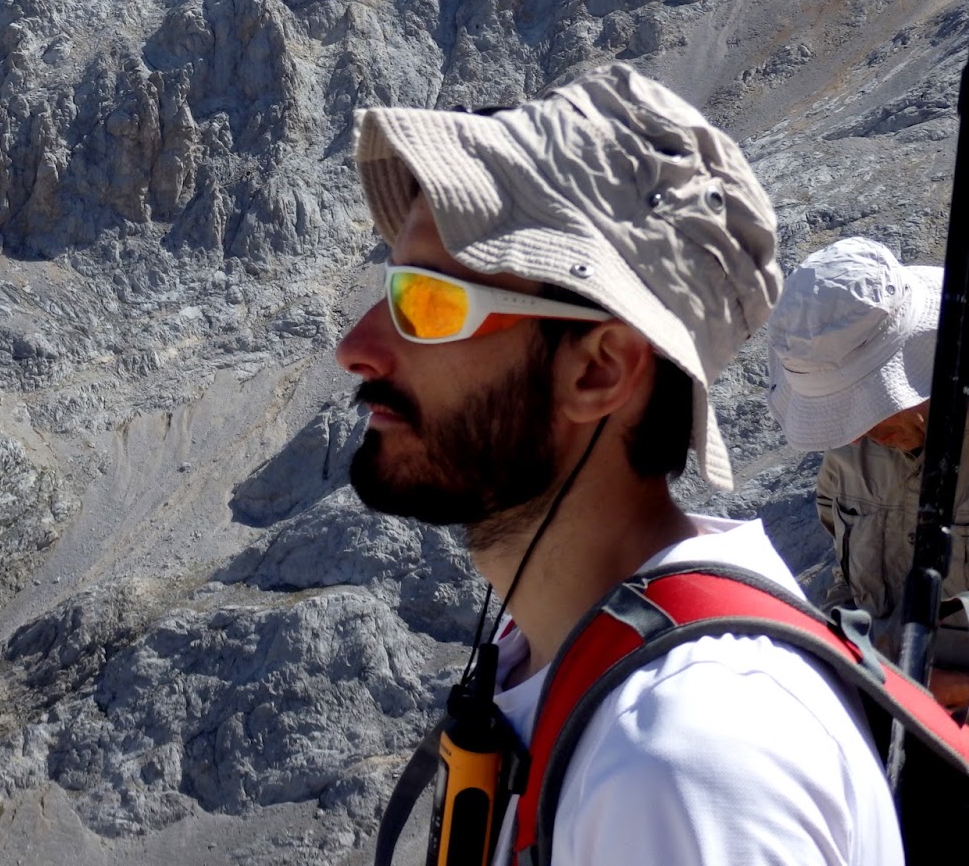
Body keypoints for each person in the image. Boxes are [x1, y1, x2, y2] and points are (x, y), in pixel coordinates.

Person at [337, 63, 901, 862]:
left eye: (426, 304)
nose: (354, 349)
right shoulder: (574, 669)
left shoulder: (686, 757)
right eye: (392, 289)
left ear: (597, 371)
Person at [765, 236, 969, 708]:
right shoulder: (850, 457)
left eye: (863, 408)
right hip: (883, 719)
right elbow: (847, 583)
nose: (853, 436)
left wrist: (951, 687)